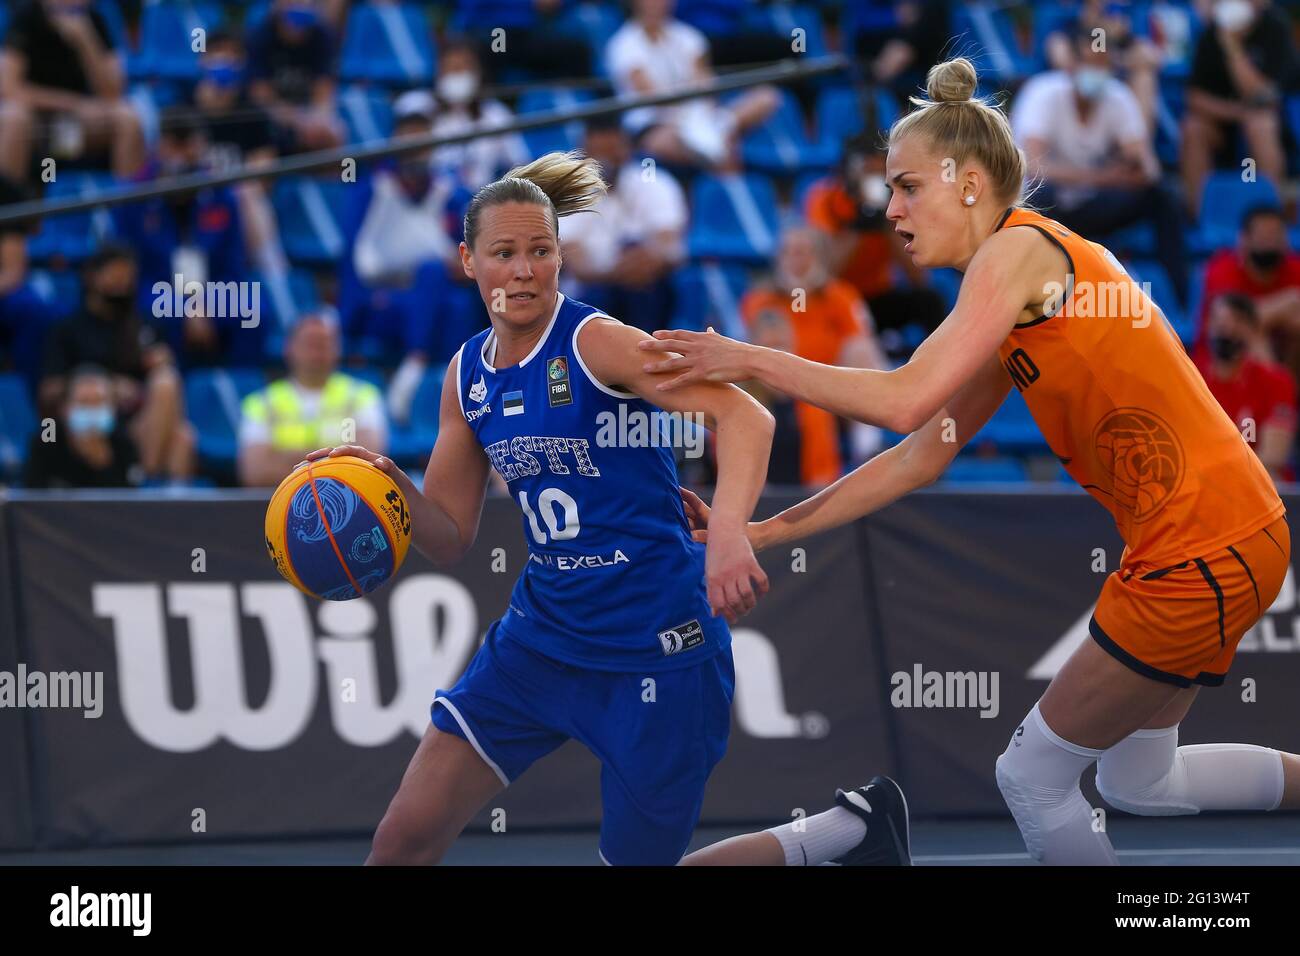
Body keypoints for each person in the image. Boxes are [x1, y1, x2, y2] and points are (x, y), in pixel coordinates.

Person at [641, 57, 1300, 865]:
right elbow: (920, 454)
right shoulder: (1018, 283)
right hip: (1239, 532)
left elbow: (904, 398)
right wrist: (760, 530)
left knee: (1031, 778)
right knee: (1139, 783)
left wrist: (745, 357)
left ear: (970, 183)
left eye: (907, 186)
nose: (890, 210)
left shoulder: (1016, 253)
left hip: (1198, 545)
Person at [303, 151, 910, 866]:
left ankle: (839, 836)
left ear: (561, 257)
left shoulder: (595, 343)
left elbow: (749, 419)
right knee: (399, 842)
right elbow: (448, 540)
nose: (524, 270)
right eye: (505, 254)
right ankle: (848, 834)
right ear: (469, 261)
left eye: (541, 251)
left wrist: (728, 539)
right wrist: (386, 485)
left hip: (660, 642)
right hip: (543, 638)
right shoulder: (466, 375)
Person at [1014, 25, 1188, 307]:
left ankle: (1180, 300)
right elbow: (1034, 167)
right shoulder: (1042, 93)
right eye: (1090, 62)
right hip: (1047, 209)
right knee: (1040, 193)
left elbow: (1145, 168)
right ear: (1071, 65)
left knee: (1162, 195)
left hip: (1094, 204)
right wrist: (1105, 177)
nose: (1097, 70)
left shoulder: (1118, 96)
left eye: (1103, 63)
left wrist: (1131, 166)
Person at [40, 242, 194, 482]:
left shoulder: (141, 325)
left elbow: (161, 381)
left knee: (181, 428)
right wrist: (105, 385)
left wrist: (160, 362)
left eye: (128, 279)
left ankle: (154, 488)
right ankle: (141, 481)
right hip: (86, 420)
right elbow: (48, 392)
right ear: (93, 277)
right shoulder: (68, 329)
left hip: (135, 423)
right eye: (116, 277)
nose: (122, 285)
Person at [605, 0, 778, 169]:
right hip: (654, 124)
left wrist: (703, 113)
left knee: (766, 96)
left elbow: (704, 83)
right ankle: (716, 147)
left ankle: (717, 133)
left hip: (699, 116)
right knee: (664, 143)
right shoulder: (623, 44)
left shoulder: (688, 35)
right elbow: (653, 96)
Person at [559, 116, 687, 334]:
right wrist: (616, 272)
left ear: (626, 149)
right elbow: (575, 261)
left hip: (648, 282)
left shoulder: (653, 180)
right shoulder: (569, 193)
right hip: (594, 289)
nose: (607, 161)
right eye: (599, 154)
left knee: (657, 286)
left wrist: (646, 261)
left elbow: (670, 243)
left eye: (613, 152)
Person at [238, 310, 386, 488]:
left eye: (323, 344)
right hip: (280, 502)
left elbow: (372, 460)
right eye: (310, 344)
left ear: (337, 349)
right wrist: (339, 459)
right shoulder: (261, 403)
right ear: (288, 348)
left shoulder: (362, 395)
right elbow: (256, 472)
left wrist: (286, 458)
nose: (317, 352)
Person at [0, 0, 145, 182]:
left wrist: (85, 41)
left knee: (127, 118)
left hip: (69, 132)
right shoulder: (26, 17)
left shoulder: (95, 20)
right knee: (14, 117)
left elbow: (113, 94)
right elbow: (9, 89)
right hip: (36, 129)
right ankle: (10, 205)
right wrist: (71, 103)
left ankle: (127, 208)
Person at [1181, 0, 1294, 217]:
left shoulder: (1275, 27)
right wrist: (1238, 113)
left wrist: (1233, 48)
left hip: (1267, 128)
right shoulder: (1214, 31)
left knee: (1260, 124)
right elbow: (1195, 98)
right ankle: (1200, 218)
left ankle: (1270, 217)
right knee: (1193, 128)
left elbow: (1263, 96)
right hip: (1224, 125)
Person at [1196, 292, 1296, 483]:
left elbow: (1273, 458)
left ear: (1253, 331)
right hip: (1205, 484)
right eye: (1219, 322)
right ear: (1207, 326)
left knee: (1273, 477)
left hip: (1257, 485)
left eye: (1237, 322)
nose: (1226, 330)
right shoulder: (1191, 375)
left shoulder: (1277, 381)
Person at [1194, 205, 1300, 374]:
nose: (1270, 244)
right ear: (1243, 239)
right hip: (1218, 362)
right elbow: (1229, 323)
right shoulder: (1223, 268)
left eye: (1275, 236)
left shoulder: (1294, 267)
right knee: (1253, 334)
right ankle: (1274, 396)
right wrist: (1286, 303)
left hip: (1286, 358)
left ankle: (1286, 393)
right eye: (1263, 237)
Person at [247, 0, 345, 153]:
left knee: (335, 132)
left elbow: (324, 89)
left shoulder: (322, 34)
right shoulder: (260, 35)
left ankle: (331, 177)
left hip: (310, 112)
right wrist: (297, 120)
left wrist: (318, 118)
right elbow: (261, 95)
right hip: (273, 114)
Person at [23, 364, 141, 488]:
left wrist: (103, 463)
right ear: (65, 408)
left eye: (99, 401)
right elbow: (32, 494)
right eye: (84, 402)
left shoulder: (124, 440)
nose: (92, 411)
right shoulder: (47, 437)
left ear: (113, 407)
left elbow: (129, 499)